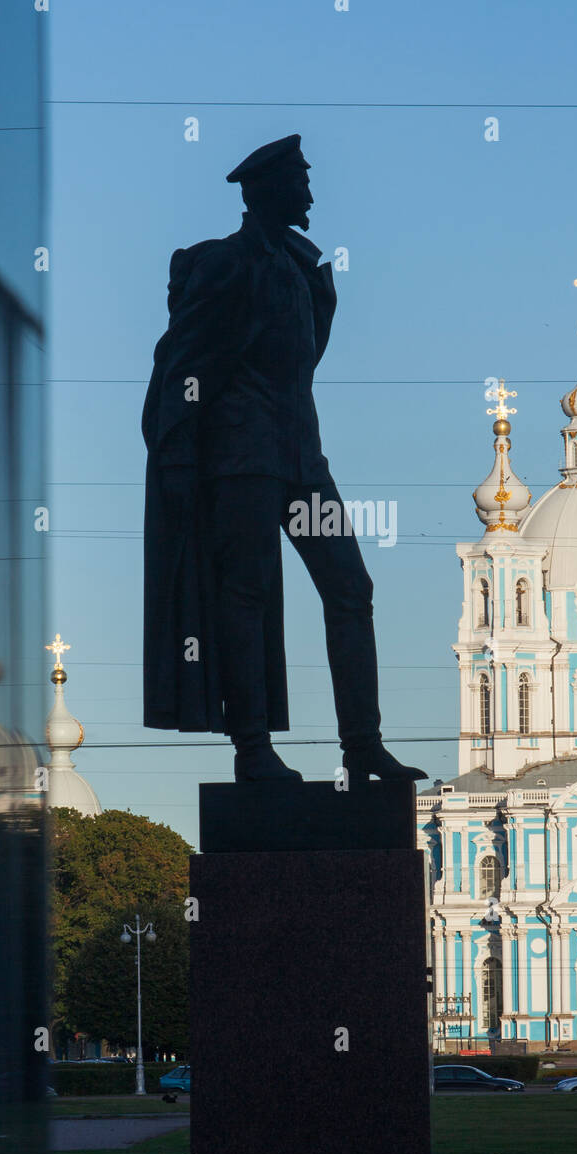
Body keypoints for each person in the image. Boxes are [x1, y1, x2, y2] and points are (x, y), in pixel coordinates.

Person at [142, 135, 429, 784]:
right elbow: (182, 366)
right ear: (267, 188)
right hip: (242, 462)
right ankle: (253, 751)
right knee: (245, 596)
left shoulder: (301, 268)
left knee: (351, 589)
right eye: (302, 180)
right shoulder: (225, 264)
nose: (311, 192)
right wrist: (183, 457)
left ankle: (362, 748)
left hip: (302, 464)